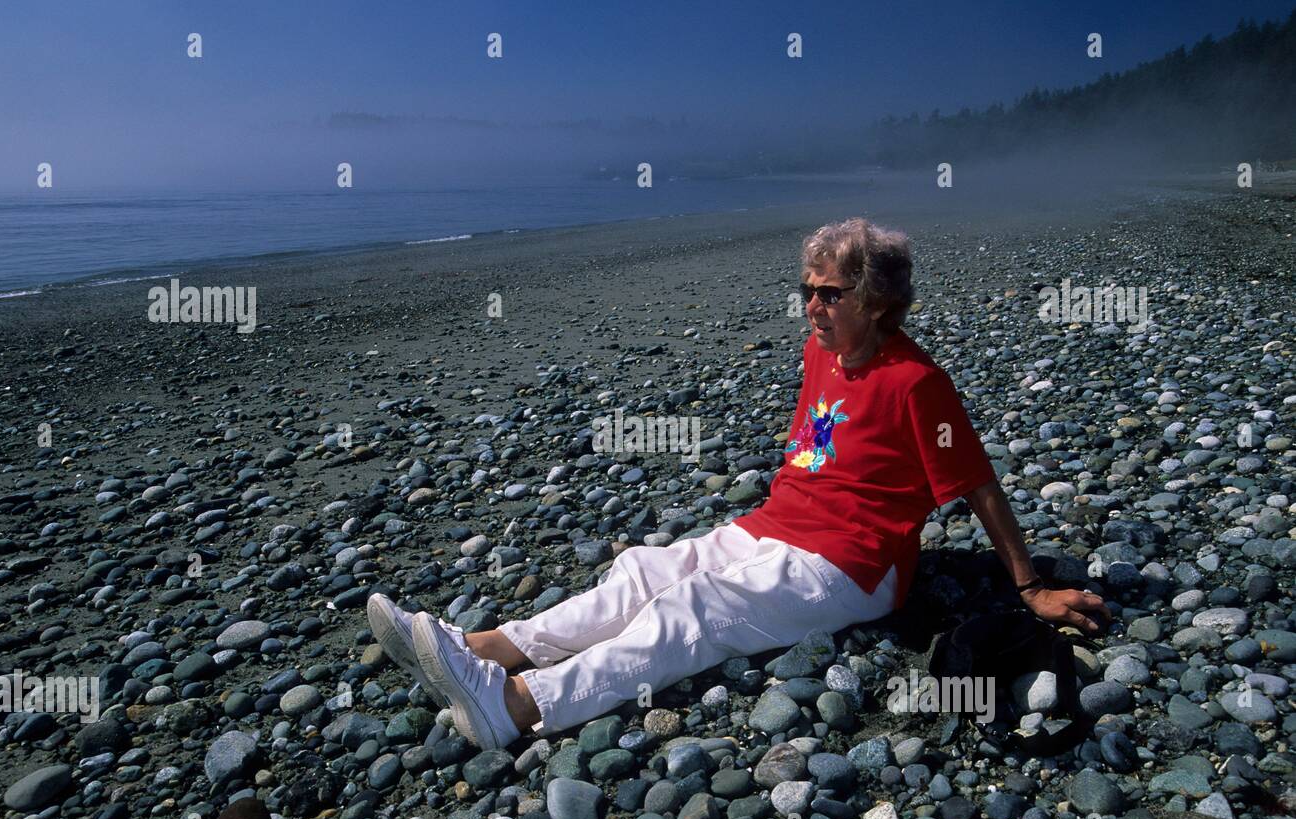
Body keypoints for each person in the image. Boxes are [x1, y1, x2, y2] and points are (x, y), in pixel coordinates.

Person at [367, 217, 1110, 750]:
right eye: (807, 290)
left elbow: (978, 483)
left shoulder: (918, 384)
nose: (811, 306)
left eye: (828, 293)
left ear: (876, 301)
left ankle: (520, 705)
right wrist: (758, 527)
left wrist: (1026, 587)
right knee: (646, 570)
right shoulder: (821, 351)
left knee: (697, 609)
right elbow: (817, 453)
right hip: (779, 526)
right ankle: (488, 648)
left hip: (851, 563)